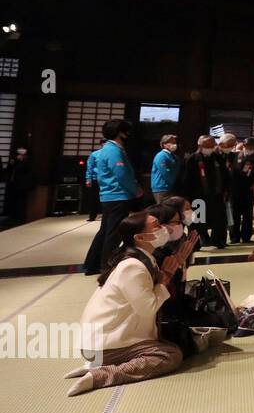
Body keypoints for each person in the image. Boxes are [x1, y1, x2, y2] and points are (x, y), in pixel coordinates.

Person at [67, 211, 182, 396]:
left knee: (177, 343)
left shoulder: (141, 259)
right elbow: (148, 309)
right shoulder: (132, 266)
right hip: (102, 345)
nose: (164, 229)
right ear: (139, 237)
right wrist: (165, 277)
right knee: (170, 355)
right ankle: (102, 375)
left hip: (107, 341)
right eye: (157, 226)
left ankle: (97, 366)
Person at [82, 119, 143, 275]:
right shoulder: (113, 150)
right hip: (117, 195)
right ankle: (106, 266)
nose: (128, 134)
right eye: (126, 131)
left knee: (105, 231)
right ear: (120, 132)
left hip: (110, 196)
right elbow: (121, 174)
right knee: (113, 233)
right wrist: (135, 189)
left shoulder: (110, 149)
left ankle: (92, 264)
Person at [181, 134, 228, 250]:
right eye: (207, 145)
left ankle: (218, 241)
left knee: (219, 219)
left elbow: (226, 176)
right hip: (198, 196)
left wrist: (226, 190)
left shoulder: (218, 158)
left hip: (216, 195)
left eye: (212, 145)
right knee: (198, 221)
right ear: (200, 145)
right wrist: (186, 197)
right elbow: (186, 179)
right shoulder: (192, 159)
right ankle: (198, 242)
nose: (210, 148)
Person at [230, 137, 254, 244]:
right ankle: (234, 237)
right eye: (247, 146)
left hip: (249, 189)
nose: (249, 148)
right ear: (243, 146)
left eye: (252, 147)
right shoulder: (235, 156)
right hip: (235, 189)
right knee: (235, 214)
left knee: (247, 215)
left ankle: (246, 237)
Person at [3, 147, 35, 224]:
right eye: (19, 154)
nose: (19, 156)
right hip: (13, 184)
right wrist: (12, 164)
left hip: (21, 185)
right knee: (11, 200)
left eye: (21, 154)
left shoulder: (27, 163)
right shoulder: (15, 161)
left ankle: (19, 217)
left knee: (20, 202)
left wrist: (21, 162)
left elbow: (25, 171)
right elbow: (9, 170)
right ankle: (11, 216)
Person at [150, 134, 181, 203]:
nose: (175, 145)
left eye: (175, 143)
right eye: (172, 143)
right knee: (164, 211)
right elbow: (166, 173)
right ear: (164, 144)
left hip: (170, 188)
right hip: (161, 188)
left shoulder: (173, 156)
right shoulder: (161, 156)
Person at [83, 145, 102, 221]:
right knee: (94, 198)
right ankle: (92, 216)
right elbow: (90, 167)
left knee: (107, 198)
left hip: (107, 179)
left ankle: (105, 215)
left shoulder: (111, 154)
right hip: (95, 178)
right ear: (101, 144)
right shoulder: (94, 154)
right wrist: (88, 179)